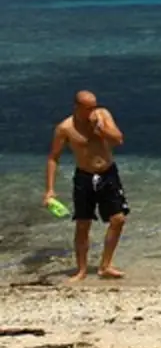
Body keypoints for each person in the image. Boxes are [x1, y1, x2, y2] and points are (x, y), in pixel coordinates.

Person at [43, 90, 129, 283]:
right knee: (83, 224)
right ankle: (81, 270)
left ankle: (105, 265)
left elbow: (118, 139)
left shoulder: (103, 115)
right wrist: (50, 190)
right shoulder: (65, 128)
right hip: (84, 176)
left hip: (108, 173)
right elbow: (53, 158)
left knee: (118, 219)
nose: (92, 111)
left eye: (94, 107)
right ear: (77, 107)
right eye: (88, 108)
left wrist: (101, 129)